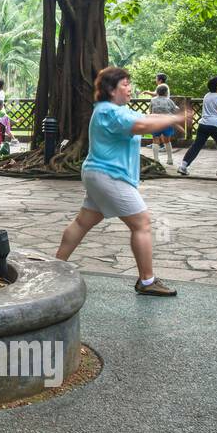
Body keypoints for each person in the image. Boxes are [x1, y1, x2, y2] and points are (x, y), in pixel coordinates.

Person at [56, 67, 190, 296]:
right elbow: (142, 126)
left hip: (99, 174)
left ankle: (55, 266)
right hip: (109, 175)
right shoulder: (109, 112)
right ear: (110, 89)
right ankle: (147, 281)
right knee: (142, 223)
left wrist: (169, 119)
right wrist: (177, 116)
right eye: (125, 84)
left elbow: (146, 118)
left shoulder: (116, 110)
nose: (130, 88)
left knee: (82, 222)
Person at [178, 75, 217, 178]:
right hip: (215, 125)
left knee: (196, 146)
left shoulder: (207, 95)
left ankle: (183, 166)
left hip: (203, 124)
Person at [148, 83, 178, 166]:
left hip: (155, 122)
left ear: (157, 92)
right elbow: (175, 110)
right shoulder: (169, 100)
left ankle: (156, 160)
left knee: (155, 140)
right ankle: (170, 159)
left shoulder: (153, 100)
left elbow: (150, 111)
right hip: (166, 122)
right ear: (166, 92)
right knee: (167, 140)